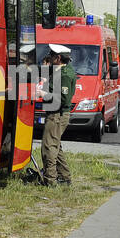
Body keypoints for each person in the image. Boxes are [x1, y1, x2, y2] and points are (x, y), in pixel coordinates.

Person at [39, 43, 75, 186]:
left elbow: (63, 99)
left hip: (57, 115)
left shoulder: (65, 74)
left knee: (49, 147)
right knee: (56, 146)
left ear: (58, 58)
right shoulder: (61, 70)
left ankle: (50, 181)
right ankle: (65, 178)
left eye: (52, 56)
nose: (50, 57)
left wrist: (44, 94)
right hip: (57, 114)